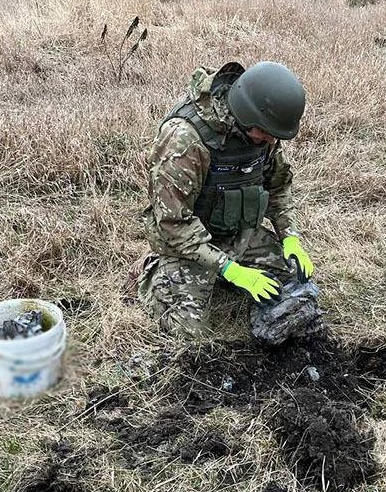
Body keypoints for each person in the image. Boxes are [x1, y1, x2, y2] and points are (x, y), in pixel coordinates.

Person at [132, 60, 315, 338]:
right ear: (247, 115)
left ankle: (228, 269)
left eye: (273, 136)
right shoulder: (185, 140)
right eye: (265, 133)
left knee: (295, 283)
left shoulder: (261, 132)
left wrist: (290, 237)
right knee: (189, 331)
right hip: (188, 244)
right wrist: (230, 270)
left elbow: (278, 186)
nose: (269, 141)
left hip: (238, 234)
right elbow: (172, 223)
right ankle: (154, 274)